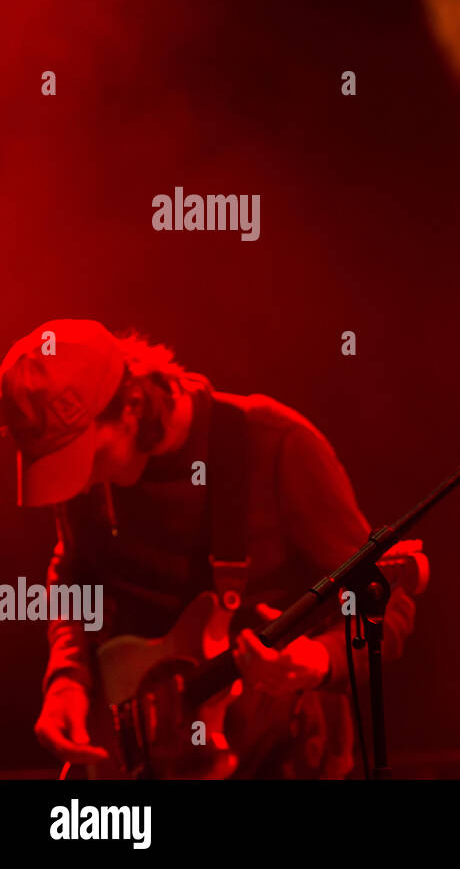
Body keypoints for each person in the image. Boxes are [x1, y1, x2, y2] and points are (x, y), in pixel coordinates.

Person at [0, 320, 416, 777]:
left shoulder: (275, 445)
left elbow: (384, 602)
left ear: (133, 404)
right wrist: (67, 678)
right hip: (135, 752)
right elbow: (73, 573)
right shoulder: (90, 484)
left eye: (86, 460)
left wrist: (320, 660)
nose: (78, 485)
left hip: (275, 753)